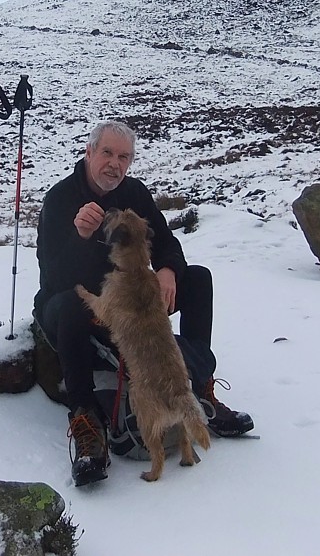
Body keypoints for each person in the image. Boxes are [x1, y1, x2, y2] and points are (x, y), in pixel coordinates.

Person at [34, 120, 253, 486]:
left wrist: (167, 270)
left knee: (197, 279)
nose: (115, 164)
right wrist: (81, 236)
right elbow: (53, 274)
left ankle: (199, 389)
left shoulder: (133, 193)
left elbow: (166, 241)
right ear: (89, 152)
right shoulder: (60, 199)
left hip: (130, 298)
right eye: (107, 153)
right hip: (70, 303)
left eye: (124, 157)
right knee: (73, 304)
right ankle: (86, 420)